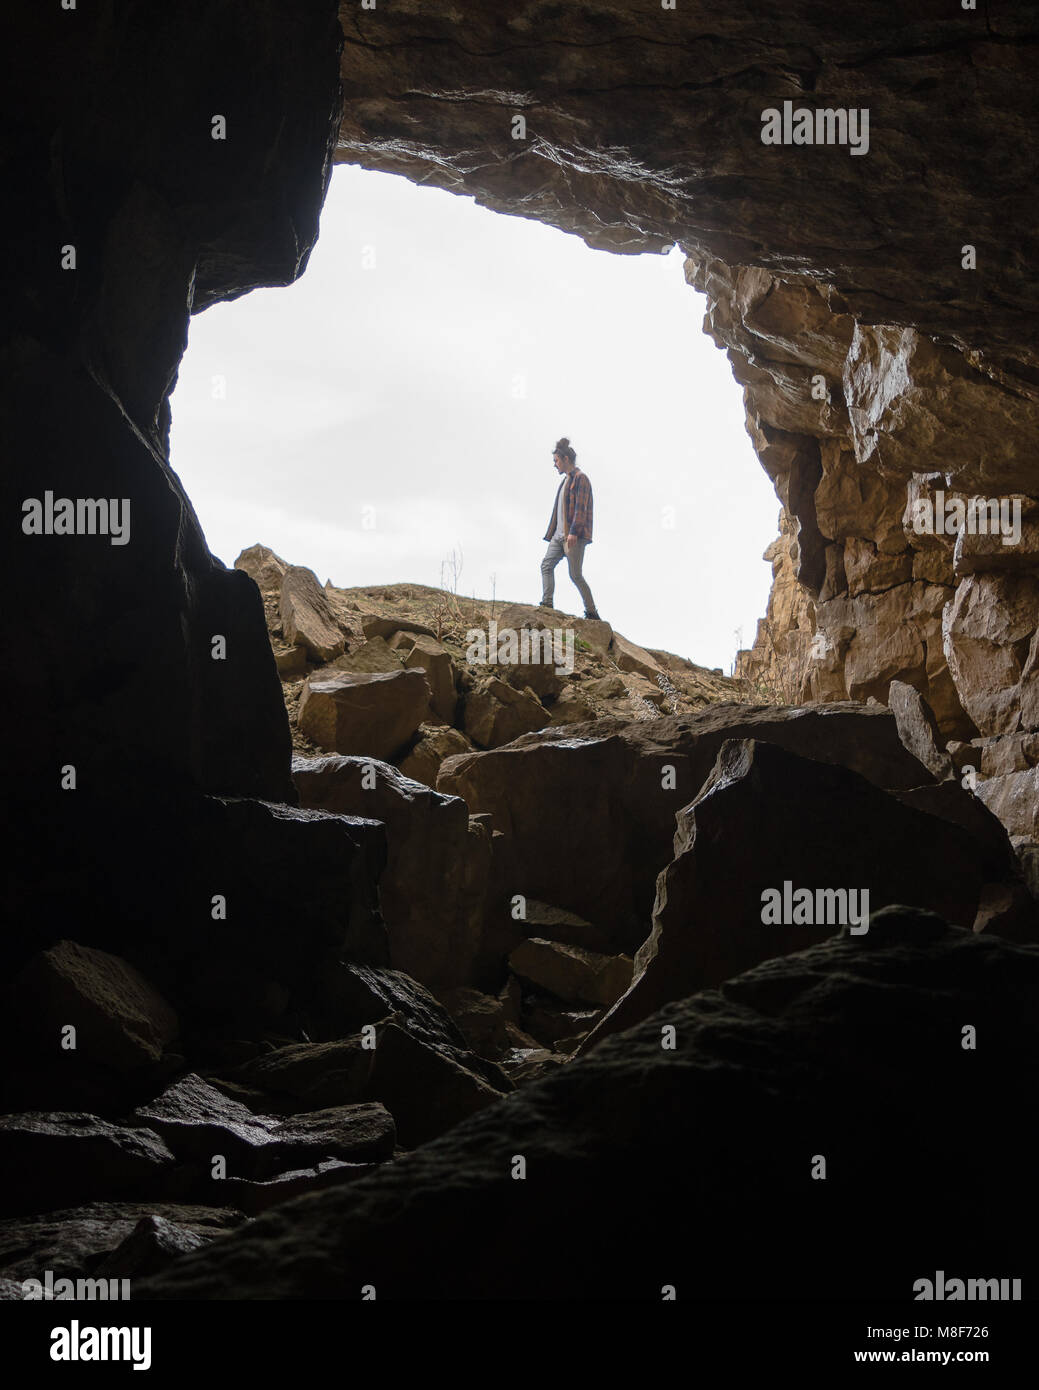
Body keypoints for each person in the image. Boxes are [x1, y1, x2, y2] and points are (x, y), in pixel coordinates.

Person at [539, 436, 600, 619]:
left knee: (575, 575)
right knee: (546, 565)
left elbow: (581, 509)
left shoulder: (581, 479)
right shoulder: (565, 481)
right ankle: (547, 603)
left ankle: (592, 612)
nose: (555, 465)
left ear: (566, 459)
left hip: (573, 537)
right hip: (559, 536)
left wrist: (573, 532)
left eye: (556, 461)